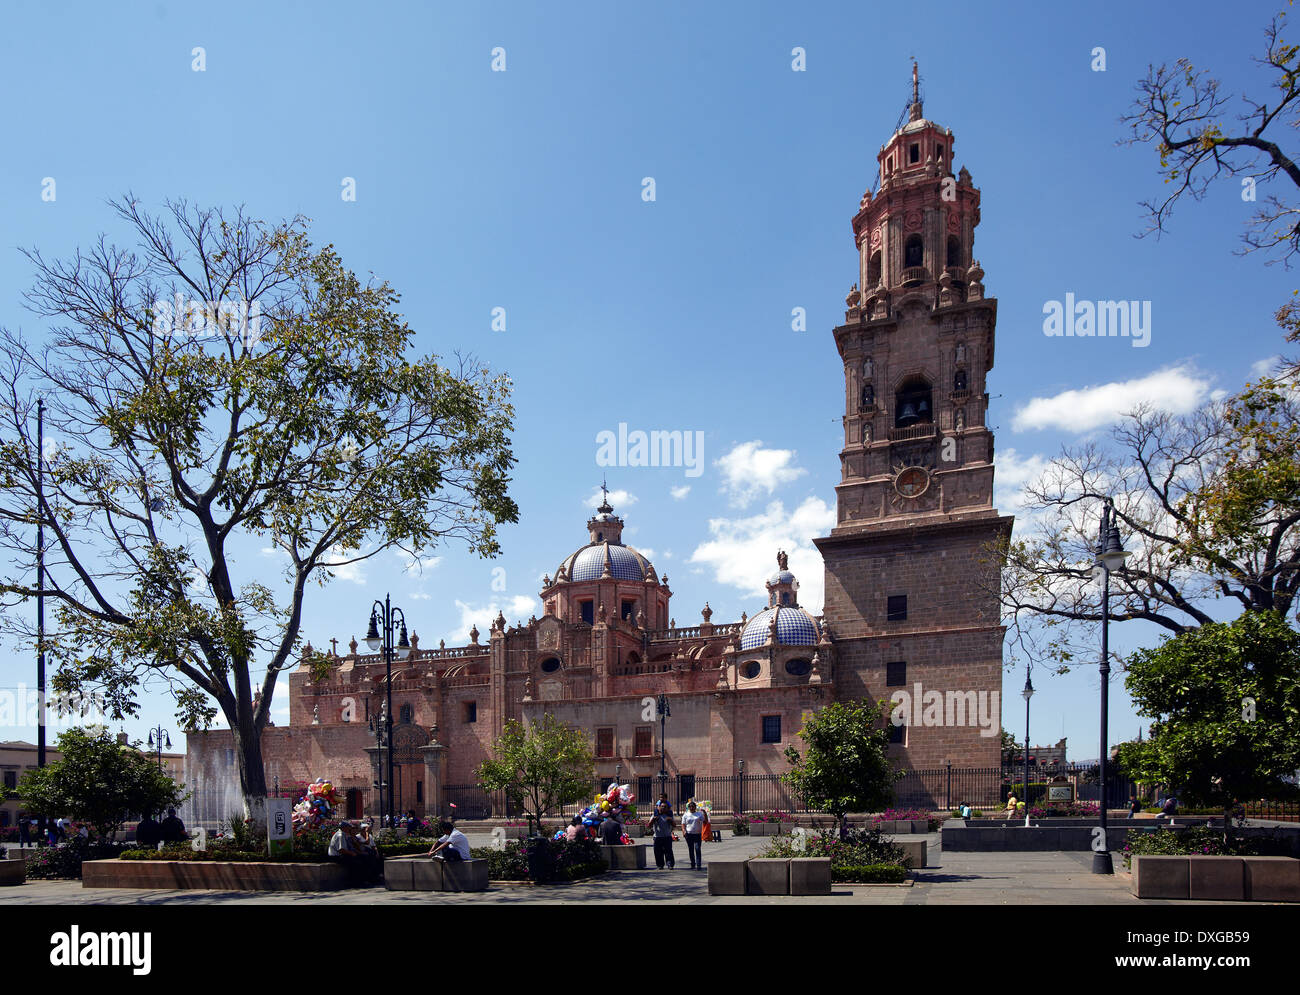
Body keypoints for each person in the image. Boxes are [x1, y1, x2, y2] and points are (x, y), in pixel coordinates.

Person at [328, 821, 380, 885]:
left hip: (343, 854)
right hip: (337, 856)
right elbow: (341, 849)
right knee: (358, 862)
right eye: (349, 827)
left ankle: (370, 878)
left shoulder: (344, 835)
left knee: (366, 858)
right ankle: (357, 881)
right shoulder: (340, 835)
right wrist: (352, 853)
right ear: (344, 828)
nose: (350, 829)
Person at [650, 800, 676, 870]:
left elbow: (674, 825)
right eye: (662, 806)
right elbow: (649, 825)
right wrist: (653, 820)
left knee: (668, 852)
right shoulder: (655, 815)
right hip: (657, 837)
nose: (663, 808)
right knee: (658, 852)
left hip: (667, 836)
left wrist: (670, 820)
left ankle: (670, 864)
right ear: (659, 807)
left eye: (665, 807)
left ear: (667, 808)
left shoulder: (669, 815)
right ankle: (660, 865)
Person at [681, 800, 706, 870]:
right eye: (690, 807)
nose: (692, 808)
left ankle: (698, 865)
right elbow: (683, 824)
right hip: (689, 834)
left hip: (697, 834)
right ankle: (692, 864)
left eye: (693, 807)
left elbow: (705, 821)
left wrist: (705, 814)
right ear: (688, 808)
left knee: (697, 849)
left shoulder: (699, 814)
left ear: (695, 807)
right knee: (691, 849)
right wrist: (684, 831)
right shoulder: (686, 815)